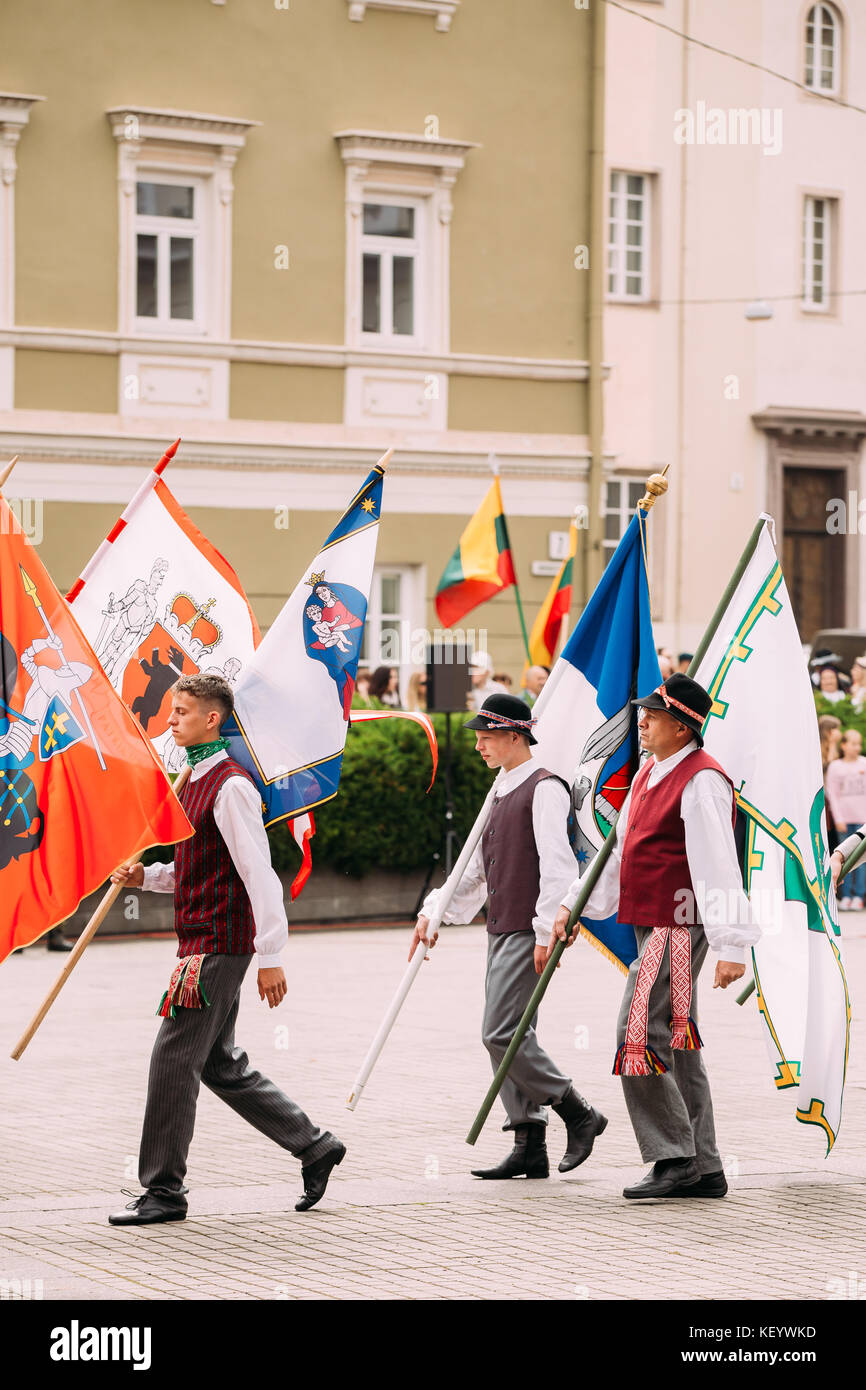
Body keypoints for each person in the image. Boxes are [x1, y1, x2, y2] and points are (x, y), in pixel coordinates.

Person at [107, 673, 345, 1226]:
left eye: (182, 712)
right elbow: (197, 869)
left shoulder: (231, 786)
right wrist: (145, 876)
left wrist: (271, 955)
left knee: (172, 1060)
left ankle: (164, 1190)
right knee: (218, 1064)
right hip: (202, 939)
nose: (171, 720)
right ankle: (314, 1146)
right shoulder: (192, 779)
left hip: (217, 944)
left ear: (212, 719)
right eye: (172, 711)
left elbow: (258, 873)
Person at [552, 674, 759, 1201]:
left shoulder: (702, 779)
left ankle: (675, 1158)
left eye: (654, 715)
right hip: (657, 922)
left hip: (678, 923)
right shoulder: (649, 771)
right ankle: (703, 1165)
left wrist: (731, 943)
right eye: (643, 712)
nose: (641, 721)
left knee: (638, 1033)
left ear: (683, 727)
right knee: (675, 1042)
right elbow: (619, 853)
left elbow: (719, 865)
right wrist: (574, 903)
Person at [411, 693, 607, 1180]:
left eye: (486, 737)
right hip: (501, 927)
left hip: (527, 927)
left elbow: (558, 867)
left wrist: (545, 931)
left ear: (515, 737)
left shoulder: (545, 788)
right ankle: (529, 1143)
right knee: (517, 1032)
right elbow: (475, 870)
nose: (478, 746)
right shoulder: (500, 788)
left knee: (501, 1033)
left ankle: (577, 1110)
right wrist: (435, 911)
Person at [825, 729, 866, 910]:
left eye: (859, 744)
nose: (857, 747)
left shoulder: (864, 763)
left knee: (861, 860)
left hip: (863, 818)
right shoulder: (836, 767)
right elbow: (832, 794)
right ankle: (846, 895)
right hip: (844, 818)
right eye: (853, 744)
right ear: (843, 745)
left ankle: (859, 896)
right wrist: (838, 818)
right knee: (844, 858)